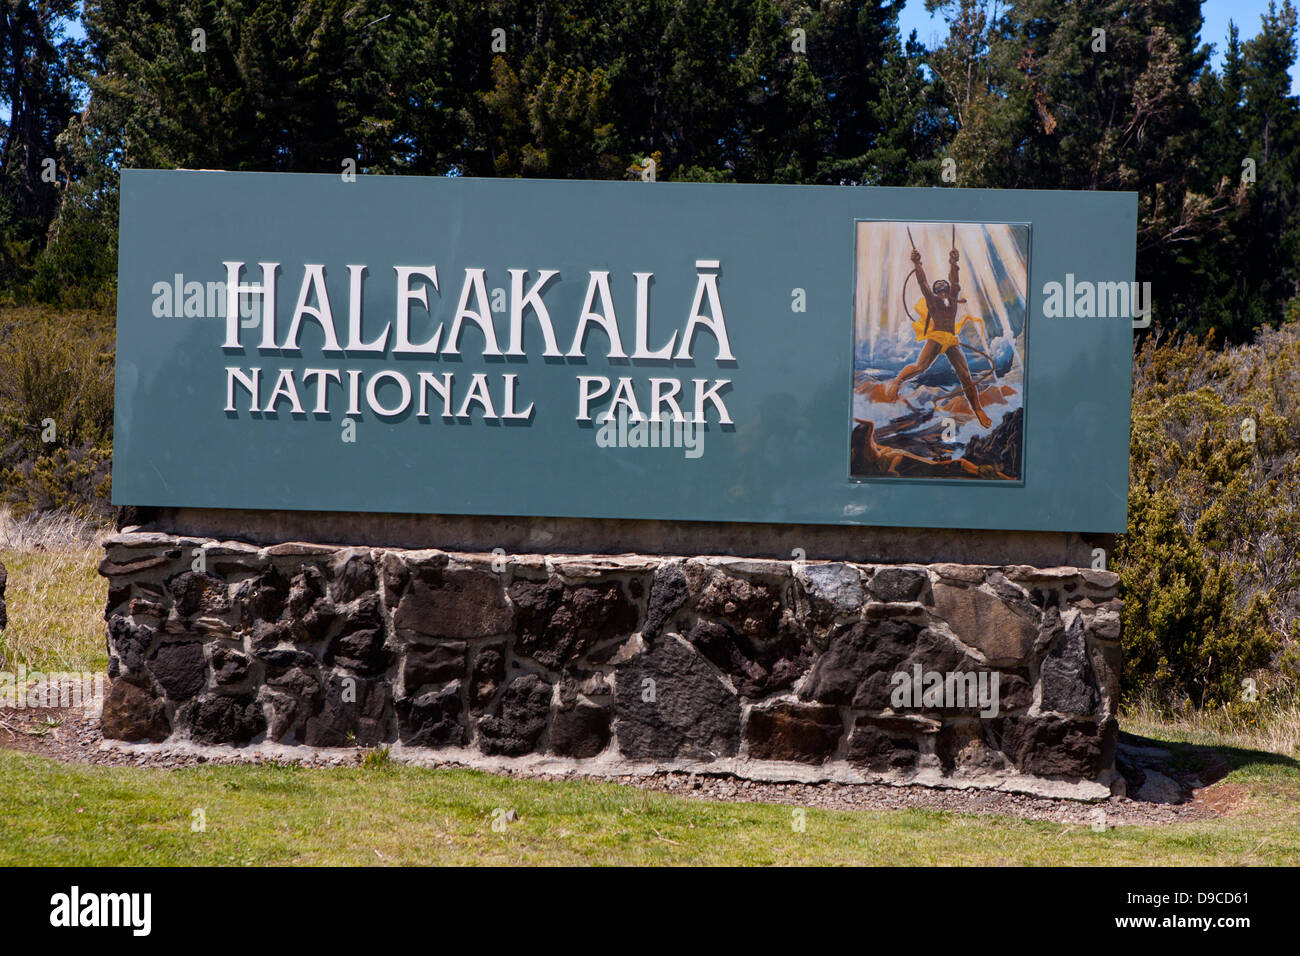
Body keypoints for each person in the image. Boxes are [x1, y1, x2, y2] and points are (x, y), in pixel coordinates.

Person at [884, 244, 992, 429]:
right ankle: (897, 381)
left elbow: (955, 279)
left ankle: (978, 409)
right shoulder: (932, 300)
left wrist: (953, 261)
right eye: (939, 289)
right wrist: (917, 263)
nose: (942, 291)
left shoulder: (953, 298)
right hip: (936, 337)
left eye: (945, 289)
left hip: (951, 339)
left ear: (948, 290)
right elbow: (922, 282)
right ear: (935, 292)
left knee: (965, 374)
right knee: (921, 366)